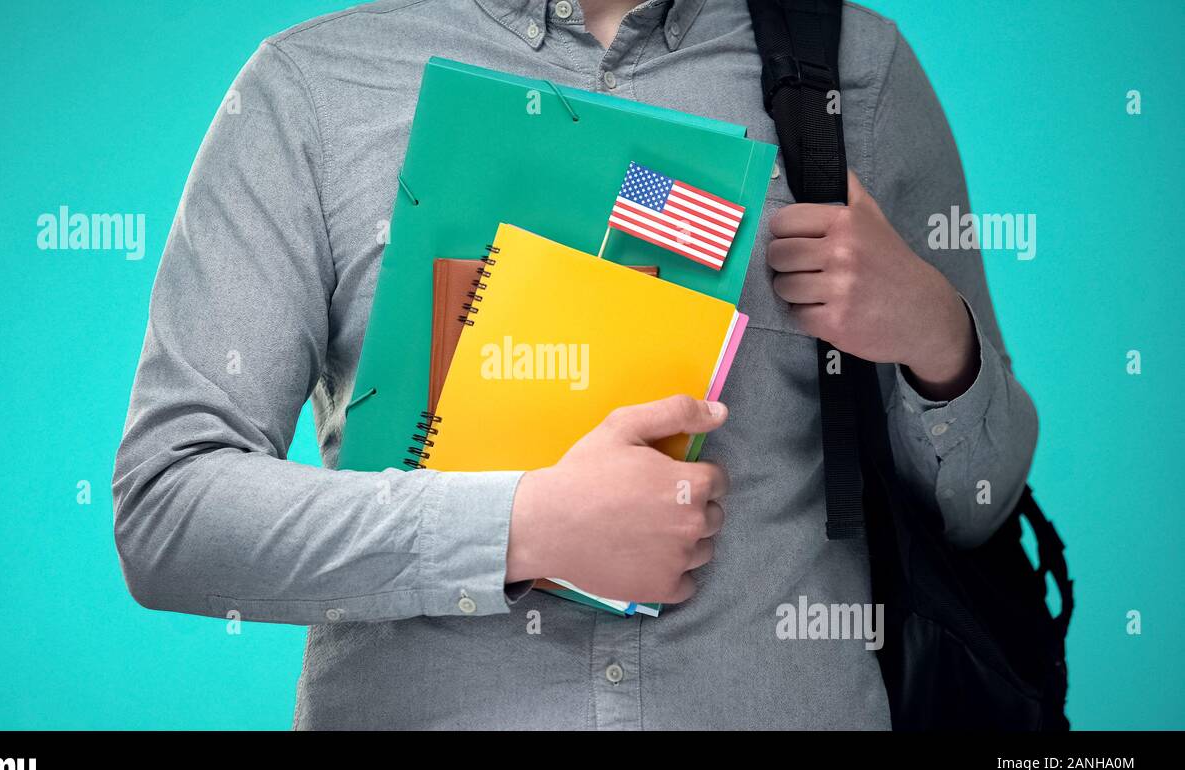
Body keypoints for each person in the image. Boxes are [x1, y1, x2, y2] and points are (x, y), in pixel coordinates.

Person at [113, 0, 1037, 729]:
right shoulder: (311, 91)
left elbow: (978, 506)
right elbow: (169, 512)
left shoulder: (856, 79)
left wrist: (931, 328)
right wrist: (521, 526)